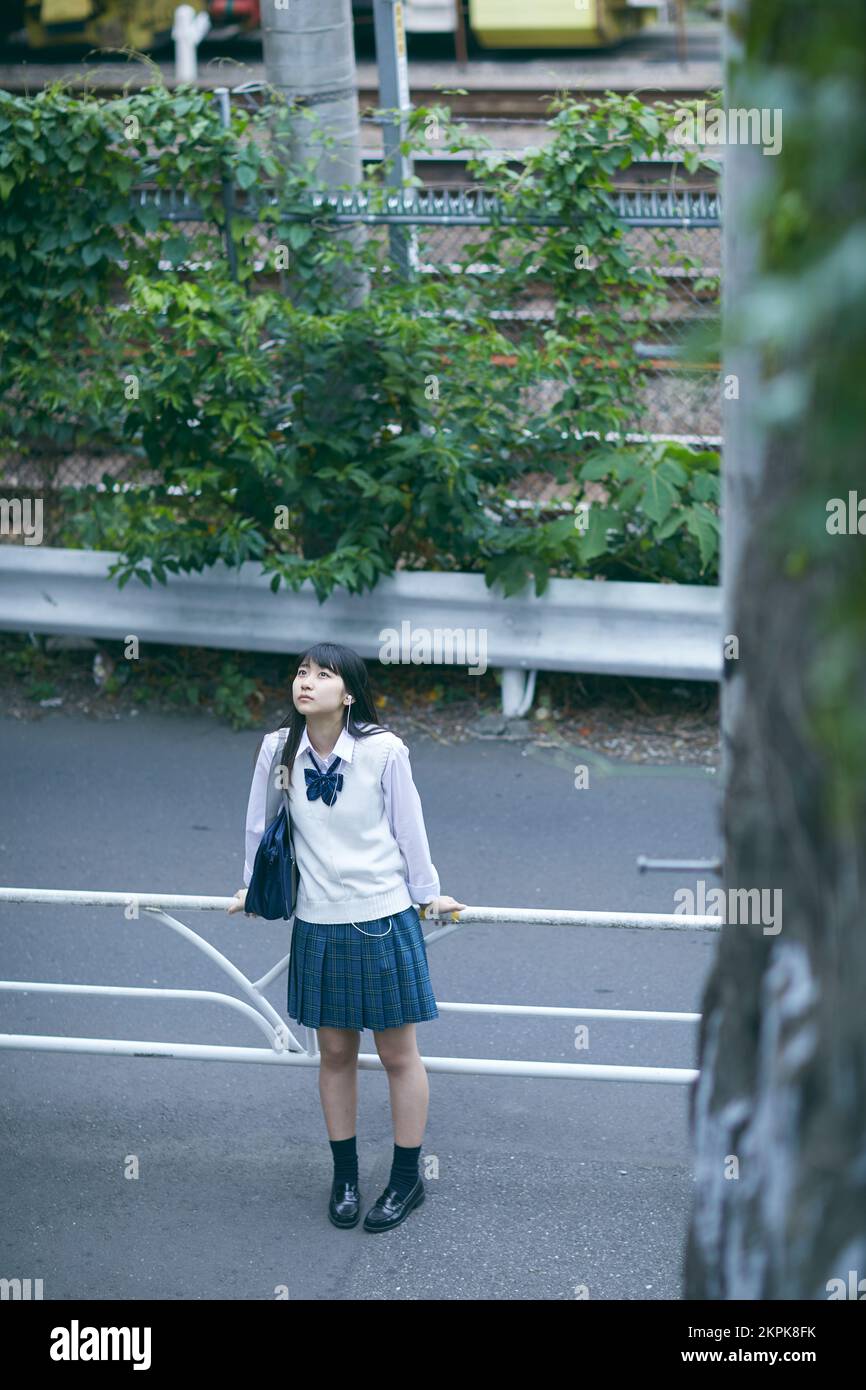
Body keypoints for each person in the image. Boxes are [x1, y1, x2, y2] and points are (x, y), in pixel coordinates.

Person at [228, 642, 465, 1233]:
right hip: (318, 921)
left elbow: (410, 827)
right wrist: (250, 888)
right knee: (334, 1054)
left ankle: (407, 1181)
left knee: (396, 1054)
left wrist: (430, 891)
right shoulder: (277, 750)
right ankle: (346, 1176)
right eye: (301, 671)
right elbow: (260, 825)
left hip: (384, 916)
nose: (305, 682)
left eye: (322, 674)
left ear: (349, 693)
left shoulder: (384, 751)